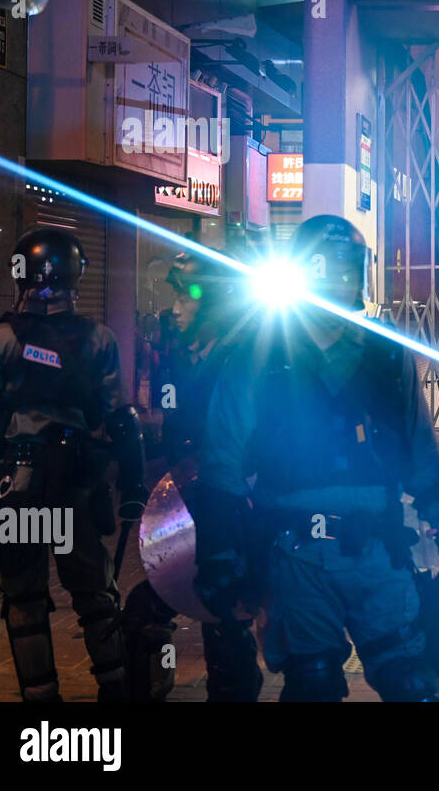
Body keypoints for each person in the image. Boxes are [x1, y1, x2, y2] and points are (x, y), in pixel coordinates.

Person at [192, 215, 439, 702]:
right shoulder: (257, 350)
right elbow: (222, 463)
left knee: (412, 683)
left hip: (375, 549)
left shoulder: (388, 351)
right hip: (296, 554)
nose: (338, 283)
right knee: (314, 684)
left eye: (347, 272)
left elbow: (420, 455)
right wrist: (219, 555)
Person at [0, 227, 147, 702]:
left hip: (18, 480)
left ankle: (41, 699)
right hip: (78, 479)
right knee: (95, 591)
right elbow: (120, 418)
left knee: (23, 597)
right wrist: (133, 485)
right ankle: (116, 686)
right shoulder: (98, 339)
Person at [121, 249, 265, 702]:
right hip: (192, 502)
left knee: (225, 619)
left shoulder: (246, 360)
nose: (175, 309)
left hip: (234, 509)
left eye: (187, 300)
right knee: (154, 610)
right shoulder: (185, 354)